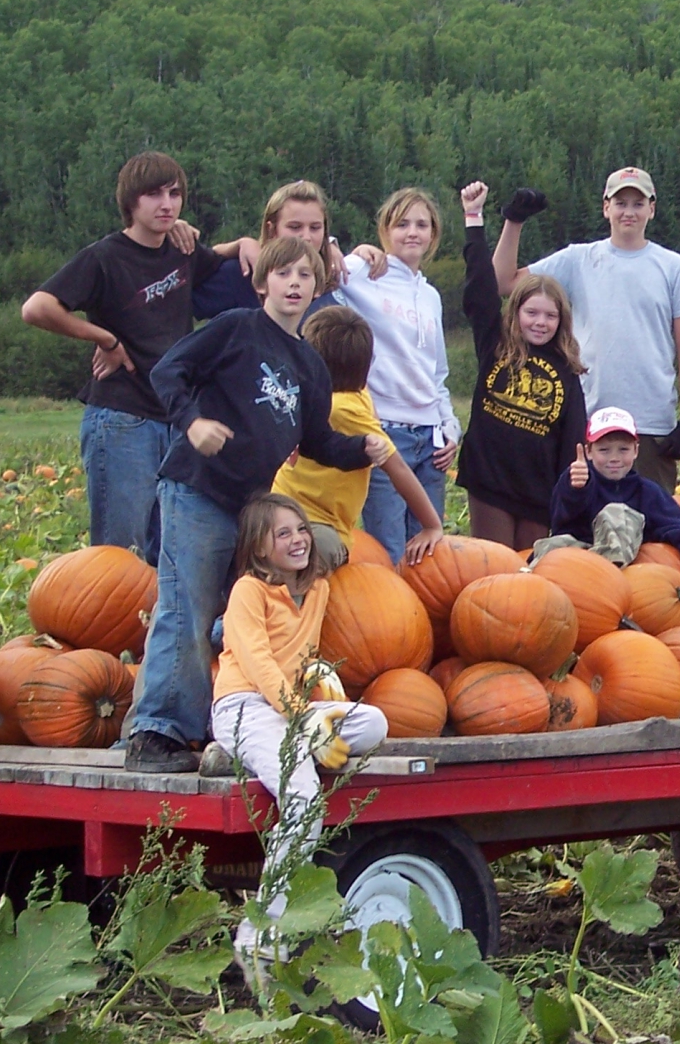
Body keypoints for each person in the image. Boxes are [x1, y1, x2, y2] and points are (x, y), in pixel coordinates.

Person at [125, 236, 385, 774]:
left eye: (305, 276)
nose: (295, 284)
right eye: (284, 273)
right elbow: (168, 372)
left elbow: (317, 441)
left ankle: (220, 726)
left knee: (237, 620)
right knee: (188, 608)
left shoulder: (310, 365)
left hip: (252, 511)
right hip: (198, 489)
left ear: (317, 286)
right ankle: (155, 733)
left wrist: (361, 449)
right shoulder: (235, 329)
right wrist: (192, 422)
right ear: (263, 282)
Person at [211, 492, 389, 976]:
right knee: (305, 800)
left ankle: (270, 751)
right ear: (259, 548)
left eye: (302, 530)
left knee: (373, 723)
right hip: (246, 705)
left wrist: (316, 698)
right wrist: (300, 717)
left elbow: (305, 659)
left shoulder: (318, 591)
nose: (298, 540)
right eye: (283, 533)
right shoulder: (248, 592)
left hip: (293, 712)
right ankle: (260, 933)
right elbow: (259, 664)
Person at [22, 151, 223, 564]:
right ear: (131, 201)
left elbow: (220, 259)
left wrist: (247, 245)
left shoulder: (181, 250)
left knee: (166, 553)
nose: (166, 204)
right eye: (154, 195)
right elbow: (37, 308)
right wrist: (106, 339)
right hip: (122, 418)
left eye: (174, 194)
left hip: (174, 417)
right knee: (119, 556)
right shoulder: (105, 257)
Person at [491, 168, 680, 492]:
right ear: (606, 208)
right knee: (584, 517)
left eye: (638, 204)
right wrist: (514, 222)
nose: (629, 212)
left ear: (652, 209)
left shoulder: (673, 267)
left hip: (650, 423)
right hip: (587, 418)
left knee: (652, 518)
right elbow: (504, 282)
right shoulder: (578, 259)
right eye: (620, 203)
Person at [454, 181, 588, 550]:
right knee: (495, 566)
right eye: (532, 313)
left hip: (539, 492)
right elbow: (480, 288)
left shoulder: (567, 368)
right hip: (490, 483)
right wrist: (474, 219)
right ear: (516, 313)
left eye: (550, 315)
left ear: (562, 320)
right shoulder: (496, 343)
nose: (540, 322)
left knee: (531, 570)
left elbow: (573, 436)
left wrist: (571, 493)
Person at [333, 187, 461, 564]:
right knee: (387, 552)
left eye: (422, 225)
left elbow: (437, 372)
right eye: (402, 224)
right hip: (385, 432)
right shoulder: (366, 272)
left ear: (434, 234)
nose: (412, 232)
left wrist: (449, 426)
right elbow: (320, 268)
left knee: (428, 556)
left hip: (430, 439)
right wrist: (345, 248)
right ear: (385, 230)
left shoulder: (431, 296)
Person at [271, 307, 445, 571]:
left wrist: (431, 525)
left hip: (318, 522)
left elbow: (396, 466)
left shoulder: (343, 409)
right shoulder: (355, 392)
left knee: (303, 562)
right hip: (286, 510)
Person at [551, 408, 680, 585]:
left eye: (623, 449)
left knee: (618, 514)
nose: (614, 458)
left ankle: (603, 582)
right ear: (589, 452)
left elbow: (676, 526)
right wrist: (575, 490)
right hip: (578, 561)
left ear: (636, 451)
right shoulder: (577, 479)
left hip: (621, 573)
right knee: (548, 548)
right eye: (604, 450)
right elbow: (560, 520)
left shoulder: (646, 491)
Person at [193, 179, 354, 320]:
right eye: (295, 227)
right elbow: (183, 293)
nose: (306, 237)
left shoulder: (337, 280)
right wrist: (233, 247)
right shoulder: (242, 275)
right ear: (272, 230)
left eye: (315, 227)